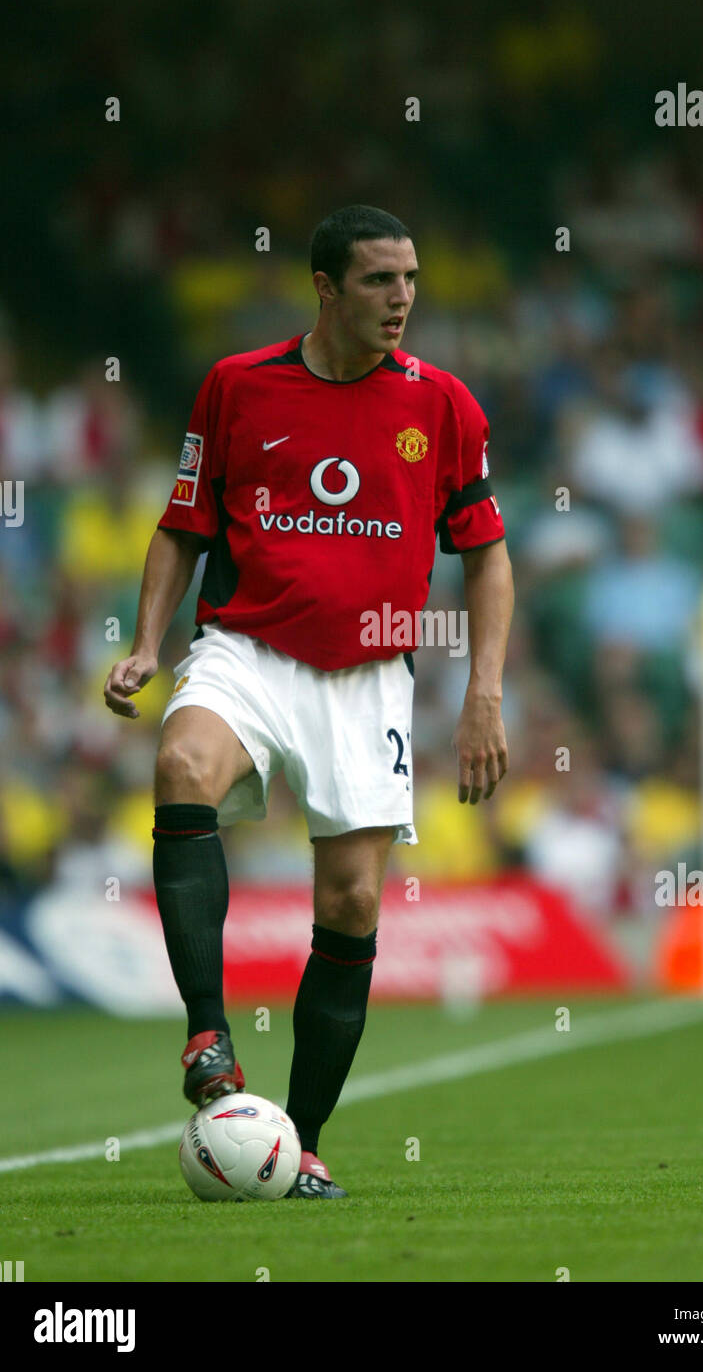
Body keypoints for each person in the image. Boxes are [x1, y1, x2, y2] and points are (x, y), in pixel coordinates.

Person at [103, 205, 514, 1197]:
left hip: (369, 670)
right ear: (325, 289)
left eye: (411, 279)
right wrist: (148, 643)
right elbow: (182, 525)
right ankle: (208, 1030)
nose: (402, 299)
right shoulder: (239, 386)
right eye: (380, 281)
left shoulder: (444, 405)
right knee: (179, 767)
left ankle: (305, 1141)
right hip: (245, 648)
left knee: (353, 901)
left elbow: (487, 556)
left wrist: (484, 696)